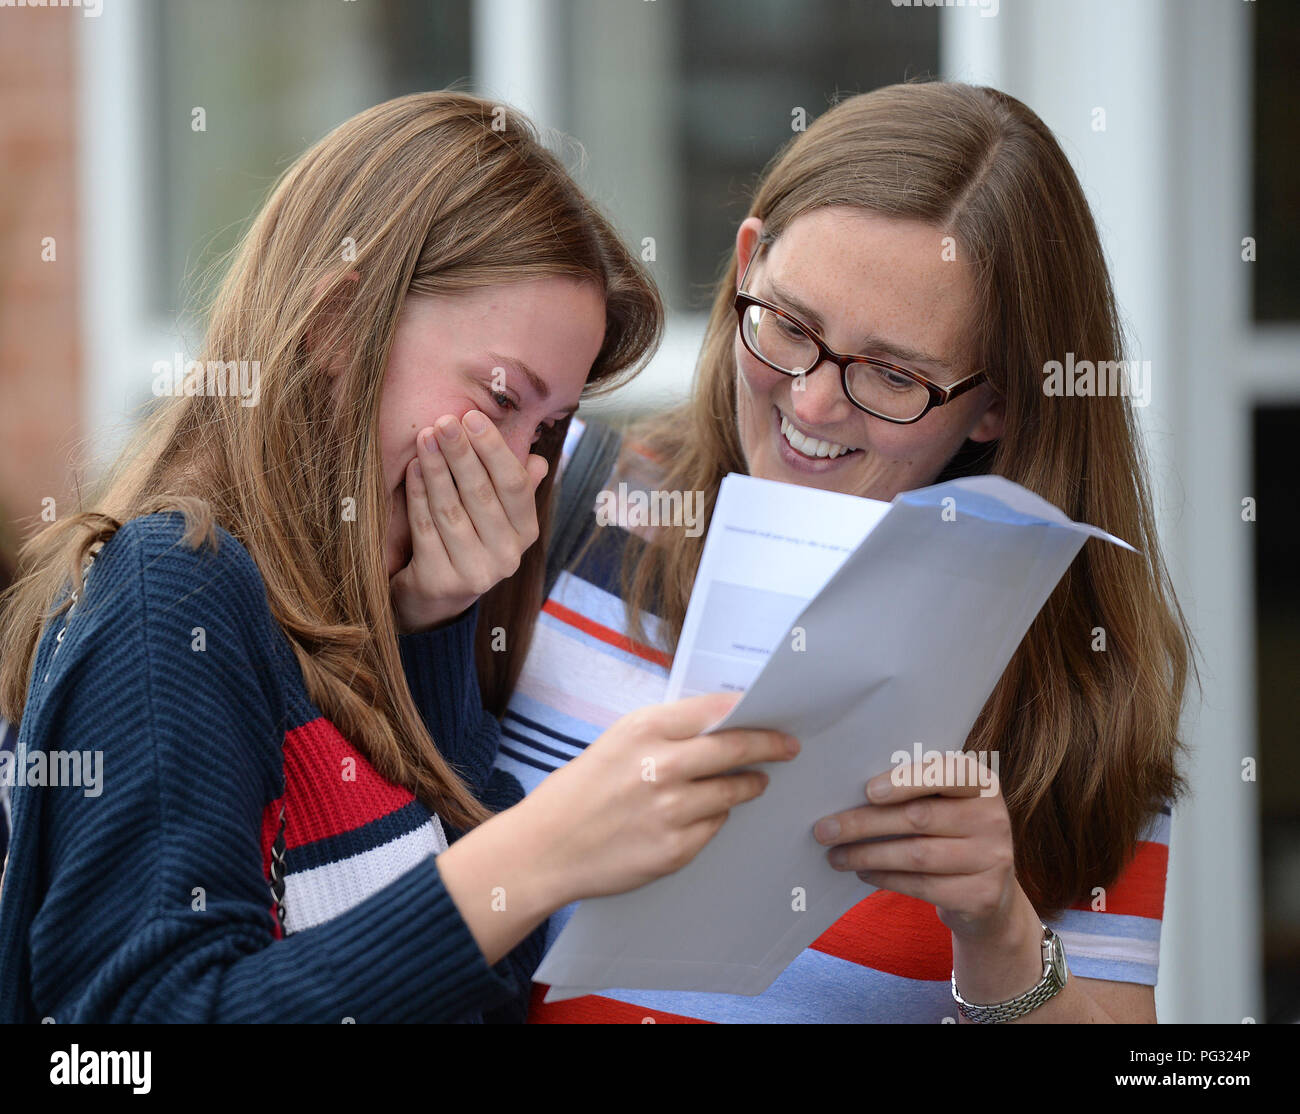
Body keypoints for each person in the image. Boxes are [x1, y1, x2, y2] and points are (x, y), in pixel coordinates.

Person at [0, 91, 797, 1023]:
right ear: (339, 327)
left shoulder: (387, 620)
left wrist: (431, 631)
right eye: (501, 398)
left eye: (546, 429)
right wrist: (543, 850)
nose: (517, 469)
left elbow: (474, 991)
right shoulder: (175, 594)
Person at [499, 81, 1190, 1024]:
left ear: (999, 403)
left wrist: (999, 936)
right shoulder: (558, 511)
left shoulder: (1062, 688)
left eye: (893, 373)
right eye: (788, 325)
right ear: (748, 262)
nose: (813, 405)